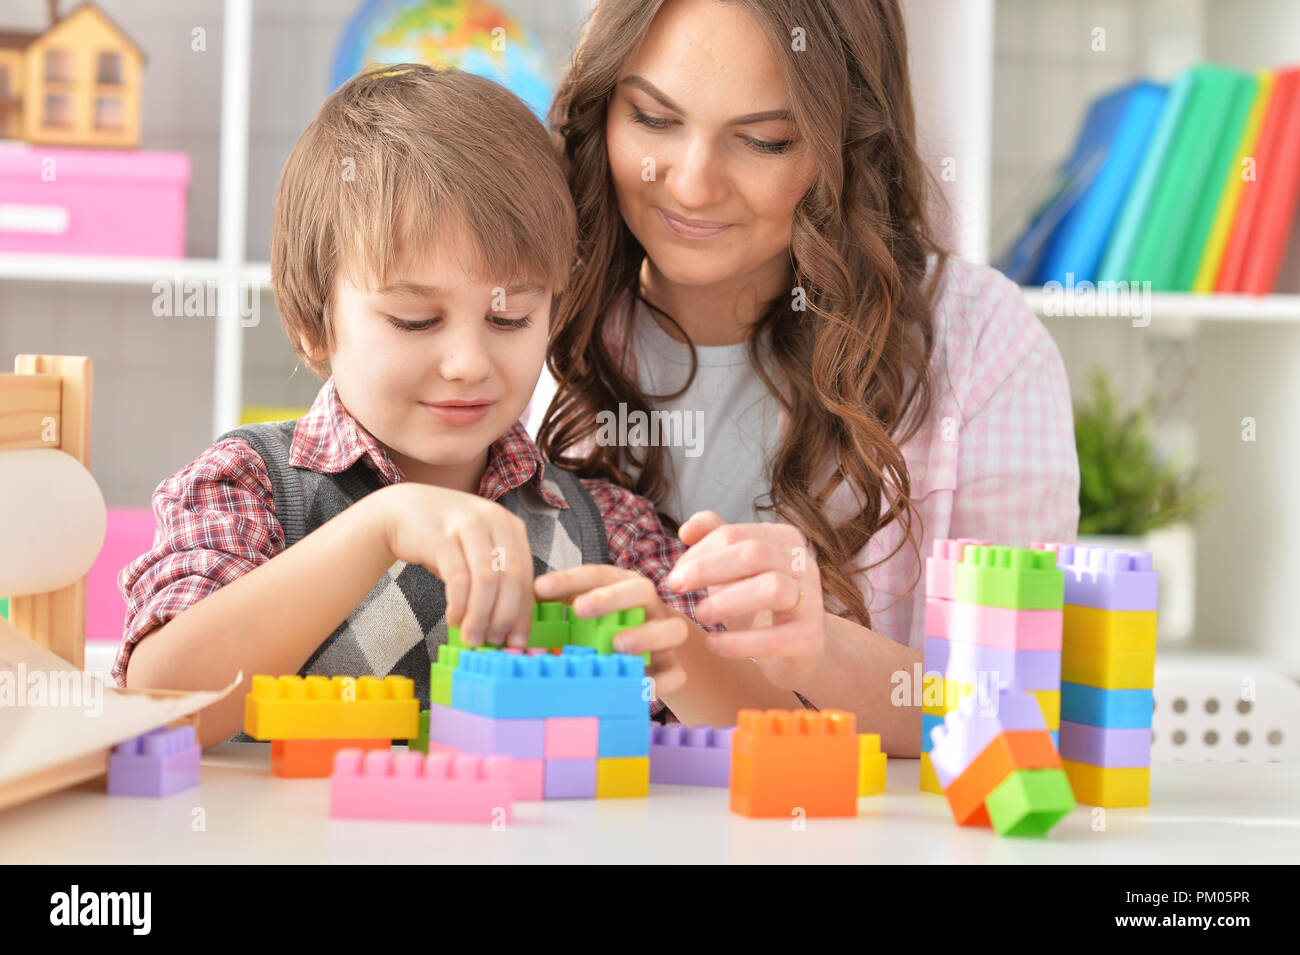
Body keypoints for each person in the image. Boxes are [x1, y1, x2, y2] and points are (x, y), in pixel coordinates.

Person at [534, 0, 1080, 755]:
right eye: (653, 119)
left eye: (765, 140)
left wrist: (822, 649)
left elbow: (1020, 713)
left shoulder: (979, 341)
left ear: (850, 140)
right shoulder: (520, 310)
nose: (691, 184)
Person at [115, 65, 704, 747]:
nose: (468, 363)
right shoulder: (249, 488)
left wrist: (681, 652)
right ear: (313, 323)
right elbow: (158, 707)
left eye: (509, 317)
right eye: (416, 320)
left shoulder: (605, 529)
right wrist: (380, 526)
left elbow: (747, 729)